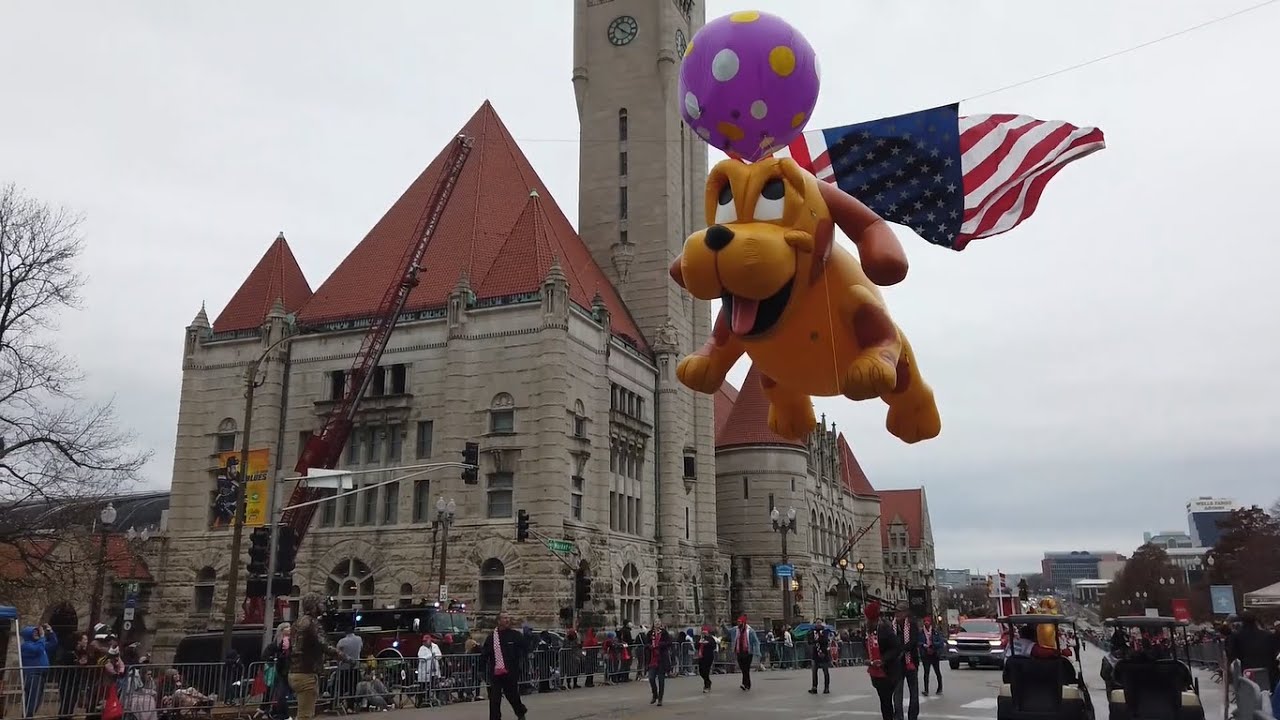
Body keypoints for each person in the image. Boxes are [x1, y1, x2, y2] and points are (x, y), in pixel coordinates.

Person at [288, 593, 345, 720]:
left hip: (294, 672)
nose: (322, 607)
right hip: (306, 673)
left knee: (304, 713)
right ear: (313, 606)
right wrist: (343, 656)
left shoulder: (297, 622)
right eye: (319, 604)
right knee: (305, 716)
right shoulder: (312, 623)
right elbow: (323, 645)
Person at [481, 612, 529, 720]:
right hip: (496, 674)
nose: (507, 620)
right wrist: (481, 669)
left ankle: (520, 712)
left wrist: (524, 660)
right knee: (494, 699)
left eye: (508, 618)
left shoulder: (515, 635)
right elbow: (484, 654)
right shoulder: (492, 637)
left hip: (511, 673)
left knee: (513, 697)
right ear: (499, 621)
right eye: (504, 618)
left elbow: (525, 647)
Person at [866, 602, 904, 720]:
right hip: (875, 671)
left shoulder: (885, 629)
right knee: (884, 700)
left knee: (886, 701)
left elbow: (896, 647)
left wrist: (883, 660)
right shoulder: (869, 630)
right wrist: (867, 658)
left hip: (887, 671)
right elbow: (867, 646)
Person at [20, 623, 58, 719]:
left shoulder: (40, 643)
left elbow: (53, 644)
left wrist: (50, 631)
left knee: (37, 699)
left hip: (41, 675)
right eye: (34, 633)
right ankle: (27, 716)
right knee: (33, 699)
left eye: (38, 632)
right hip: (33, 675)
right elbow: (38, 649)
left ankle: (29, 715)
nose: (37, 634)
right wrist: (42, 637)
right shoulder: (26, 646)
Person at [893, 609, 921, 720]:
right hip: (897, 663)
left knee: (913, 691)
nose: (897, 615)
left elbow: (913, 641)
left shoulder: (912, 625)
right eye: (896, 613)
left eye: (900, 613)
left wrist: (902, 650)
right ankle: (898, 715)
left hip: (911, 661)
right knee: (897, 691)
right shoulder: (893, 626)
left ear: (905, 614)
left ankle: (913, 716)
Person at [728, 616, 760, 691]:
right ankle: (747, 684)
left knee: (746, 669)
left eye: (740, 622)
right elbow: (728, 632)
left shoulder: (750, 631)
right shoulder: (735, 630)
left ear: (743, 622)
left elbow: (756, 642)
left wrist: (757, 652)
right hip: (739, 652)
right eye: (738, 622)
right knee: (743, 669)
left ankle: (745, 684)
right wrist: (722, 625)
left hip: (748, 652)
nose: (738, 623)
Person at [646, 621, 673, 706]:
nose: (657, 624)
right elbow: (646, 643)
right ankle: (655, 694)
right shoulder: (650, 633)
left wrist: (660, 644)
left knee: (661, 680)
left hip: (661, 659)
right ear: (653, 624)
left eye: (659, 622)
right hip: (652, 658)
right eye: (656, 622)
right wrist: (649, 646)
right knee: (651, 678)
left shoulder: (664, 633)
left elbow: (669, 643)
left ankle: (660, 698)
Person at [921, 617, 944, 696]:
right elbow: (918, 642)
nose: (926, 623)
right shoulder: (921, 632)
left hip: (934, 654)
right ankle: (926, 690)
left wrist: (933, 645)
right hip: (925, 654)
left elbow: (941, 642)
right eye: (925, 621)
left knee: (937, 671)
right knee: (926, 673)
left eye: (928, 621)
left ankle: (940, 688)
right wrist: (924, 646)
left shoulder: (935, 631)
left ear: (930, 623)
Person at [809, 621, 833, 694]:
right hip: (815, 654)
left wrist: (819, 638)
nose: (818, 624)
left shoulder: (825, 632)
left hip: (823, 654)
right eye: (817, 623)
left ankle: (826, 688)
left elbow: (826, 641)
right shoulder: (812, 632)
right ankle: (814, 687)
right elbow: (809, 641)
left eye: (820, 623)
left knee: (825, 671)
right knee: (814, 672)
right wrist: (812, 639)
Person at [695, 626, 716, 693]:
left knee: (706, 671)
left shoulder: (710, 638)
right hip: (701, 657)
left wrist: (707, 643)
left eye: (705, 632)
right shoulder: (699, 638)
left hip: (708, 657)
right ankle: (708, 681)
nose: (703, 633)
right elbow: (696, 646)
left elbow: (713, 646)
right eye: (702, 632)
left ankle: (707, 685)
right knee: (701, 671)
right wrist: (699, 643)